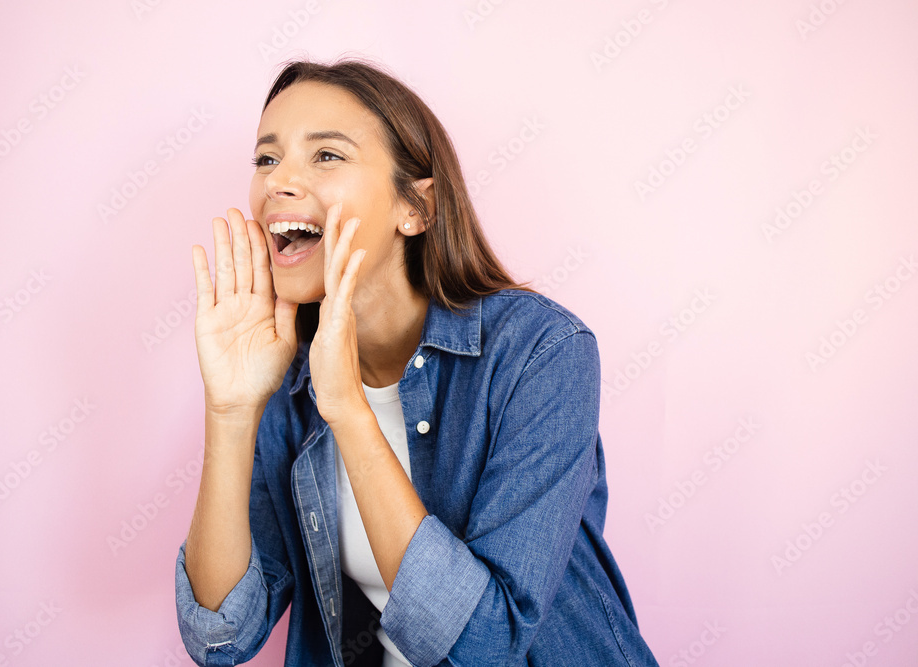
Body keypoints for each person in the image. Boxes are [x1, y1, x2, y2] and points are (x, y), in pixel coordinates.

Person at [175, 57, 660, 667]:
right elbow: (221, 637)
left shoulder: (541, 353)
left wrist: (350, 411)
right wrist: (231, 408)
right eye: (267, 159)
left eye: (326, 156)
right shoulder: (281, 369)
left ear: (417, 209)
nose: (278, 182)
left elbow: (485, 646)